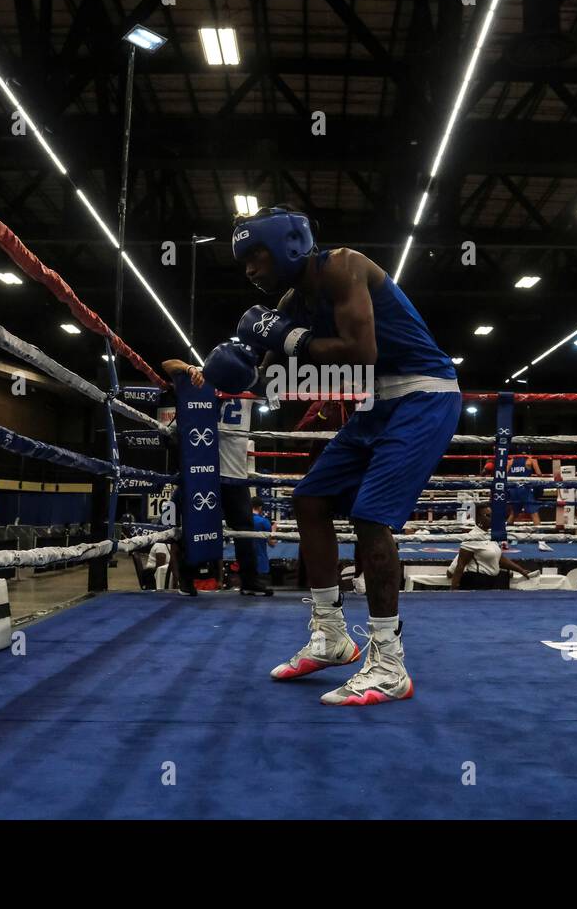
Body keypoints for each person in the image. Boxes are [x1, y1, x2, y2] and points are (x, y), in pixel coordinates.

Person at [203, 204, 461, 705]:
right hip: (378, 404)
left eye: (256, 255)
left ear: (288, 243)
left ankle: (388, 663)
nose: (251, 269)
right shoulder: (291, 301)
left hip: (426, 395)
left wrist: (286, 337)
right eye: (245, 262)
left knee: (370, 516)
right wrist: (239, 365)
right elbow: (273, 374)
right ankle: (331, 635)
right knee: (310, 499)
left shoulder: (344, 267)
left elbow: (360, 354)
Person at [160, 357, 267, 594]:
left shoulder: (249, 381)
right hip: (202, 470)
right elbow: (168, 364)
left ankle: (249, 581)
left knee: (245, 529)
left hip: (234, 472)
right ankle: (186, 581)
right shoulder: (204, 376)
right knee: (193, 524)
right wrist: (190, 369)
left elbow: (272, 381)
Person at [448, 505, 533, 589]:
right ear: (478, 518)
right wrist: (454, 590)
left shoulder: (490, 535)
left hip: (491, 581)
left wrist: (521, 570)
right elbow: (460, 565)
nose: (492, 519)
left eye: (493, 515)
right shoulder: (472, 538)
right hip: (476, 582)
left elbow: (498, 558)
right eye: (488, 516)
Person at [248, 496, 276, 596]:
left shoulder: (244, 521)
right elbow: (272, 543)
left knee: (247, 596)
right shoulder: (264, 522)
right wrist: (274, 530)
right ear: (260, 508)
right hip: (261, 564)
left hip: (246, 564)